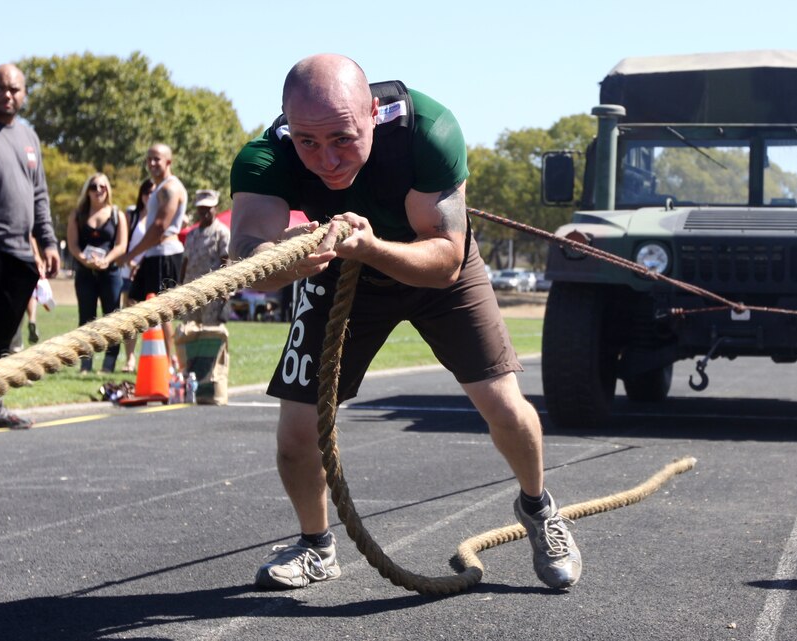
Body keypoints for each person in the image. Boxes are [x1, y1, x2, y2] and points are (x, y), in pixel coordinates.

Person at [230, 54, 581, 591]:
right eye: (308, 142)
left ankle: (539, 508)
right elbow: (247, 263)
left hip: (435, 267)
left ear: (373, 112)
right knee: (297, 431)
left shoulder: (429, 132)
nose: (326, 160)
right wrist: (286, 254)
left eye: (343, 139)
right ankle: (316, 546)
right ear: (286, 125)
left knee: (506, 407)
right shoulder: (264, 157)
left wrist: (371, 247)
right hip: (342, 267)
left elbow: (444, 260)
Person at [0, 63, 60, 429]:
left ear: (24, 93)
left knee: (2, 339)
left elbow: (39, 196)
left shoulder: (29, 138)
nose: (8, 95)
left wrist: (47, 241)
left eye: (15, 89)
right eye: (0, 88)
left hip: (20, 255)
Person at [118, 144, 188, 370]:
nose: (152, 164)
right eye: (149, 159)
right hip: (153, 255)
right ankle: (131, 360)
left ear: (169, 161)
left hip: (165, 255)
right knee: (132, 305)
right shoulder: (159, 188)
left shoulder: (171, 188)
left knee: (163, 312)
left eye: (157, 159)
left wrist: (131, 255)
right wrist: (141, 259)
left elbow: (159, 228)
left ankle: (170, 363)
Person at [67, 173, 128, 373]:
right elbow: (73, 245)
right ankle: (86, 363)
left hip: (110, 273)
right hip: (85, 273)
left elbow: (121, 245)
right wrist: (84, 260)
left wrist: (106, 260)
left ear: (108, 190)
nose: (98, 190)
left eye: (102, 186)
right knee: (86, 318)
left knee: (112, 318)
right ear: (88, 190)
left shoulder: (116, 214)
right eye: (94, 186)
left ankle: (109, 364)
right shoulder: (77, 214)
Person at [179, 189, 230, 325]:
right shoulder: (191, 234)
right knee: (190, 331)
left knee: (211, 332)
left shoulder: (222, 232)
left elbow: (226, 260)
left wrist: (225, 288)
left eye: (208, 208)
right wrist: (180, 284)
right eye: (201, 208)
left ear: (216, 209)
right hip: (191, 289)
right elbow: (185, 261)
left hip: (213, 290)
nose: (204, 212)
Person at [120, 179, 154, 372]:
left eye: (153, 193)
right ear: (141, 195)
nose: (149, 196)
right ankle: (130, 359)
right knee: (129, 318)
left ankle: (153, 358)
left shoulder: (160, 216)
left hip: (149, 271)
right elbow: (124, 242)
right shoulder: (131, 215)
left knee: (151, 318)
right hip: (129, 272)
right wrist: (129, 261)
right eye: (146, 192)